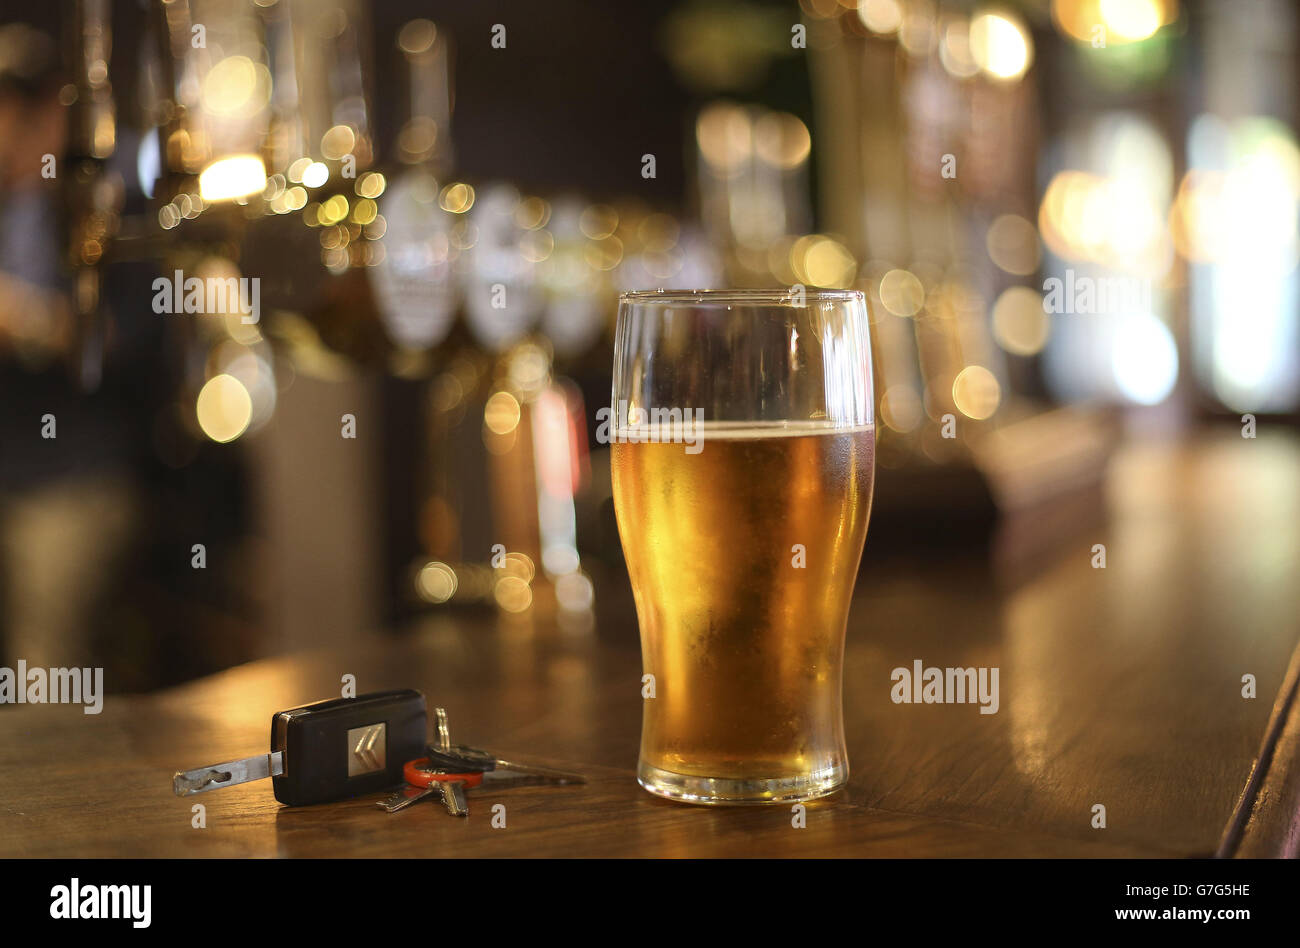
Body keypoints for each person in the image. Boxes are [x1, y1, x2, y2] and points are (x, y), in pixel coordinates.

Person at [0, 23, 135, 669]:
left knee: (44, 668)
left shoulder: (100, 208)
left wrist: (25, 320)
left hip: (69, 478)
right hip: (13, 465)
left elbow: (124, 342)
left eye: (15, 108)